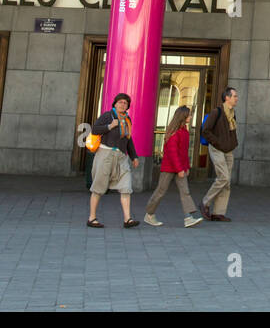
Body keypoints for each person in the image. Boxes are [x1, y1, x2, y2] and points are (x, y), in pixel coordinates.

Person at [144, 106, 204, 228]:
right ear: (183, 117)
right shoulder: (174, 133)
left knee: (185, 191)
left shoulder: (184, 131)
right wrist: (180, 169)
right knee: (161, 191)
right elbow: (173, 153)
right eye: (189, 115)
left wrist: (186, 167)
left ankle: (188, 217)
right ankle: (149, 214)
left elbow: (184, 153)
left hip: (179, 168)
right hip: (169, 168)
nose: (191, 117)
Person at [87, 92, 141, 228]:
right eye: (120, 102)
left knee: (126, 186)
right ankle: (92, 218)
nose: (123, 104)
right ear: (115, 104)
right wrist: (109, 126)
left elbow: (128, 139)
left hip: (121, 157)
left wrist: (134, 156)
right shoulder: (108, 116)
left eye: (125, 103)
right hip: (105, 154)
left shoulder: (127, 119)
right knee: (98, 187)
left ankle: (127, 219)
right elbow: (94, 129)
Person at [201, 87, 240, 222]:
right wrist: (218, 142)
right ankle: (205, 202)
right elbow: (206, 130)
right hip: (217, 148)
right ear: (227, 98)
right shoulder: (216, 112)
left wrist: (232, 143)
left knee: (227, 182)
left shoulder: (232, 113)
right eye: (234, 96)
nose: (237, 98)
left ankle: (218, 212)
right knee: (223, 177)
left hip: (228, 150)